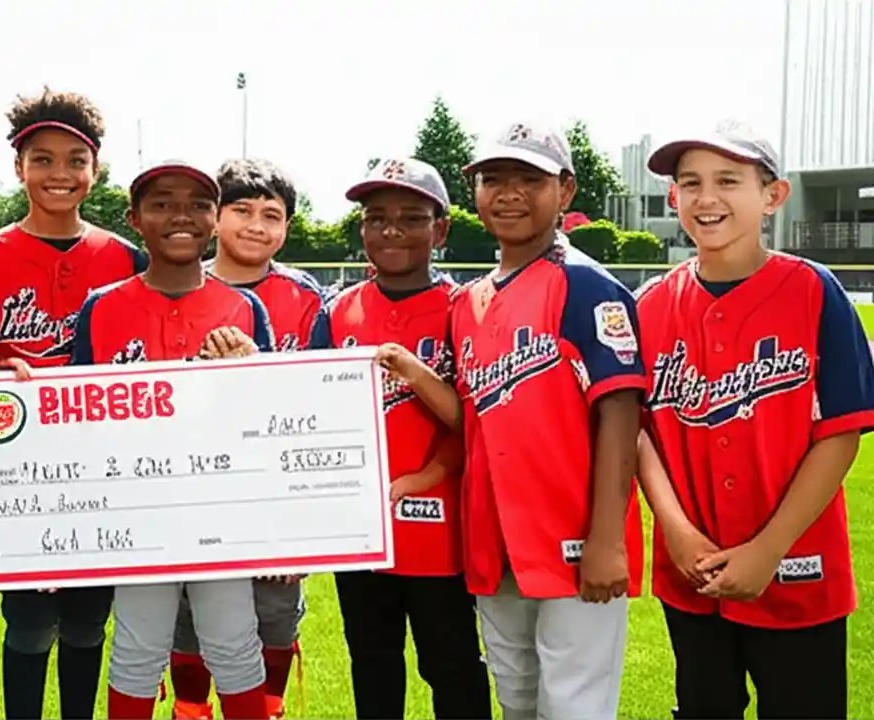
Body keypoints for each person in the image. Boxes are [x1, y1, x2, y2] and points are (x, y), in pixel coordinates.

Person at [637, 121, 874, 719]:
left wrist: (769, 548)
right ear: (674, 199)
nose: (707, 198)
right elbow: (639, 432)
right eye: (690, 183)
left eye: (728, 181)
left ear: (773, 195)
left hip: (797, 567)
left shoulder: (815, 291)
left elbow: (841, 430)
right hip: (693, 568)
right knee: (703, 705)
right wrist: (677, 532)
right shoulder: (651, 306)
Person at [448, 123, 647, 720]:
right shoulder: (469, 300)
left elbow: (620, 411)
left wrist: (606, 541)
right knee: (517, 698)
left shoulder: (585, 284)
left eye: (529, 179)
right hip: (494, 536)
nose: (508, 193)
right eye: (493, 179)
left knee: (575, 704)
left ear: (565, 190)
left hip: (574, 535)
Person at [0, 86, 147, 720]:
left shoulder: (127, 259)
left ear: (94, 169)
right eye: (42, 159)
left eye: (75, 159)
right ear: (19, 168)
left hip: (105, 466)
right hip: (20, 468)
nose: (59, 174)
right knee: (30, 620)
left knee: (89, 618)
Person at [66, 160, 273, 720]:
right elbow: (75, 425)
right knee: (137, 647)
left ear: (214, 220)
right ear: (135, 219)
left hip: (220, 513)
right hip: (139, 515)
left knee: (233, 642)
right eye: (161, 203)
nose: (180, 215)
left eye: (198, 204)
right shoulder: (101, 308)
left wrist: (252, 371)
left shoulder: (245, 308)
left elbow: (272, 423)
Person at [306, 157, 491, 720]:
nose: (391, 231)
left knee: (452, 664)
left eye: (412, 218)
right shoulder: (337, 312)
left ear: (440, 229)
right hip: (362, 527)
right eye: (376, 217)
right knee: (373, 660)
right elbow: (309, 412)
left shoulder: (468, 307)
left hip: (442, 525)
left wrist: (429, 473)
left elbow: (482, 419)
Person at [166, 158, 323, 720]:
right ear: (213, 217)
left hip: (273, 484)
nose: (257, 225)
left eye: (272, 215)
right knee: (188, 613)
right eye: (242, 210)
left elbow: (319, 403)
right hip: (192, 481)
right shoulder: (178, 279)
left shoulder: (306, 299)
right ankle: (190, 709)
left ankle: (268, 707)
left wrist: (300, 521)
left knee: (275, 605)